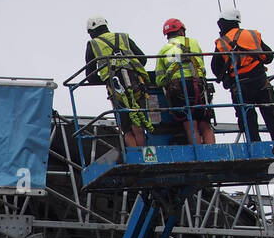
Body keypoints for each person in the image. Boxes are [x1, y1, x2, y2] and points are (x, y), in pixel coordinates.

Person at [211, 8, 274, 144]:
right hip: (261, 82)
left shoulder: (221, 43)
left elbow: (215, 68)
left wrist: (226, 79)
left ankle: (255, 145)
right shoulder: (252, 35)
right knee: (271, 113)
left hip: (241, 86)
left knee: (247, 117)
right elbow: (269, 56)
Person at [84, 16, 152, 147]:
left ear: (91, 31)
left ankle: (135, 156)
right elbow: (142, 59)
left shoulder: (93, 44)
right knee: (138, 124)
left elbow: (90, 77)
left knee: (126, 129)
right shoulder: (123, 37)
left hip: (116, 89)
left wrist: (106, 79)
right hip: (136, 84)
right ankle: (144, 154)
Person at [154, 18, 215, 144]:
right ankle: (211, 152)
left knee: (190, 124)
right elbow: (202, 67)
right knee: (205, 123)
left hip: (178, 88)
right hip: (198, 84)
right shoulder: (193, 43)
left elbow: (159, 80)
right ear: (181, 31)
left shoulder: (163, 50)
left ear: (167, 35)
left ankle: (198, 154)